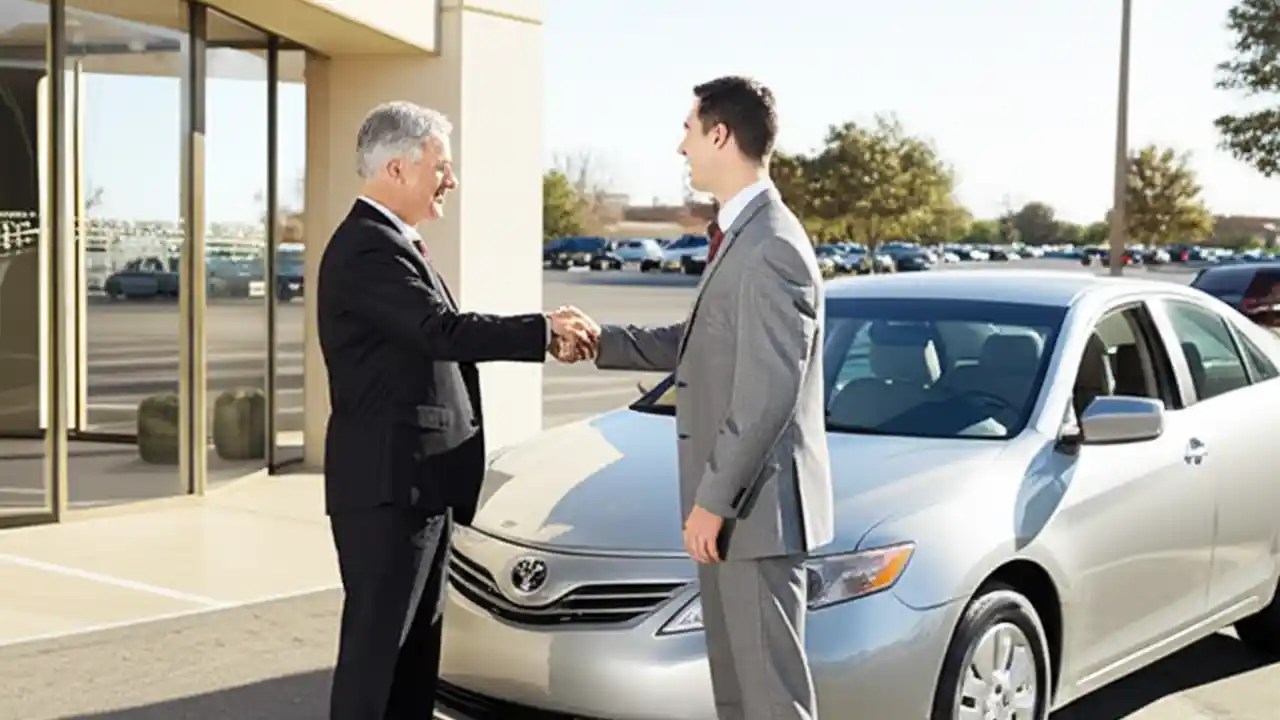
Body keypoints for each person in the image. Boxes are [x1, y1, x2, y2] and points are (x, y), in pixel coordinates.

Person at [554, 76, 834, 719]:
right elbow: (703, 343)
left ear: (720, 134)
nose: (680, 147)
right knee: (737, 698)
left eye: (688, 129)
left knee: (771, 702)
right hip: (735, 515)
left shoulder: (772, 246)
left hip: (754, 516)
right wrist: (603, 342)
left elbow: (768, 394)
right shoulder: (742, 235)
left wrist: (713, 501)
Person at [317, 100, 596, 719]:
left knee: (414, 662)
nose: (452, 179)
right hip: (390, 490)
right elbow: (440, 331)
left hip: (419, 488)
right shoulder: (368, 247)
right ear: (397, 169)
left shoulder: (391, 243)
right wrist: (542, 331)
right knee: (379, 665)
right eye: (440, 165)